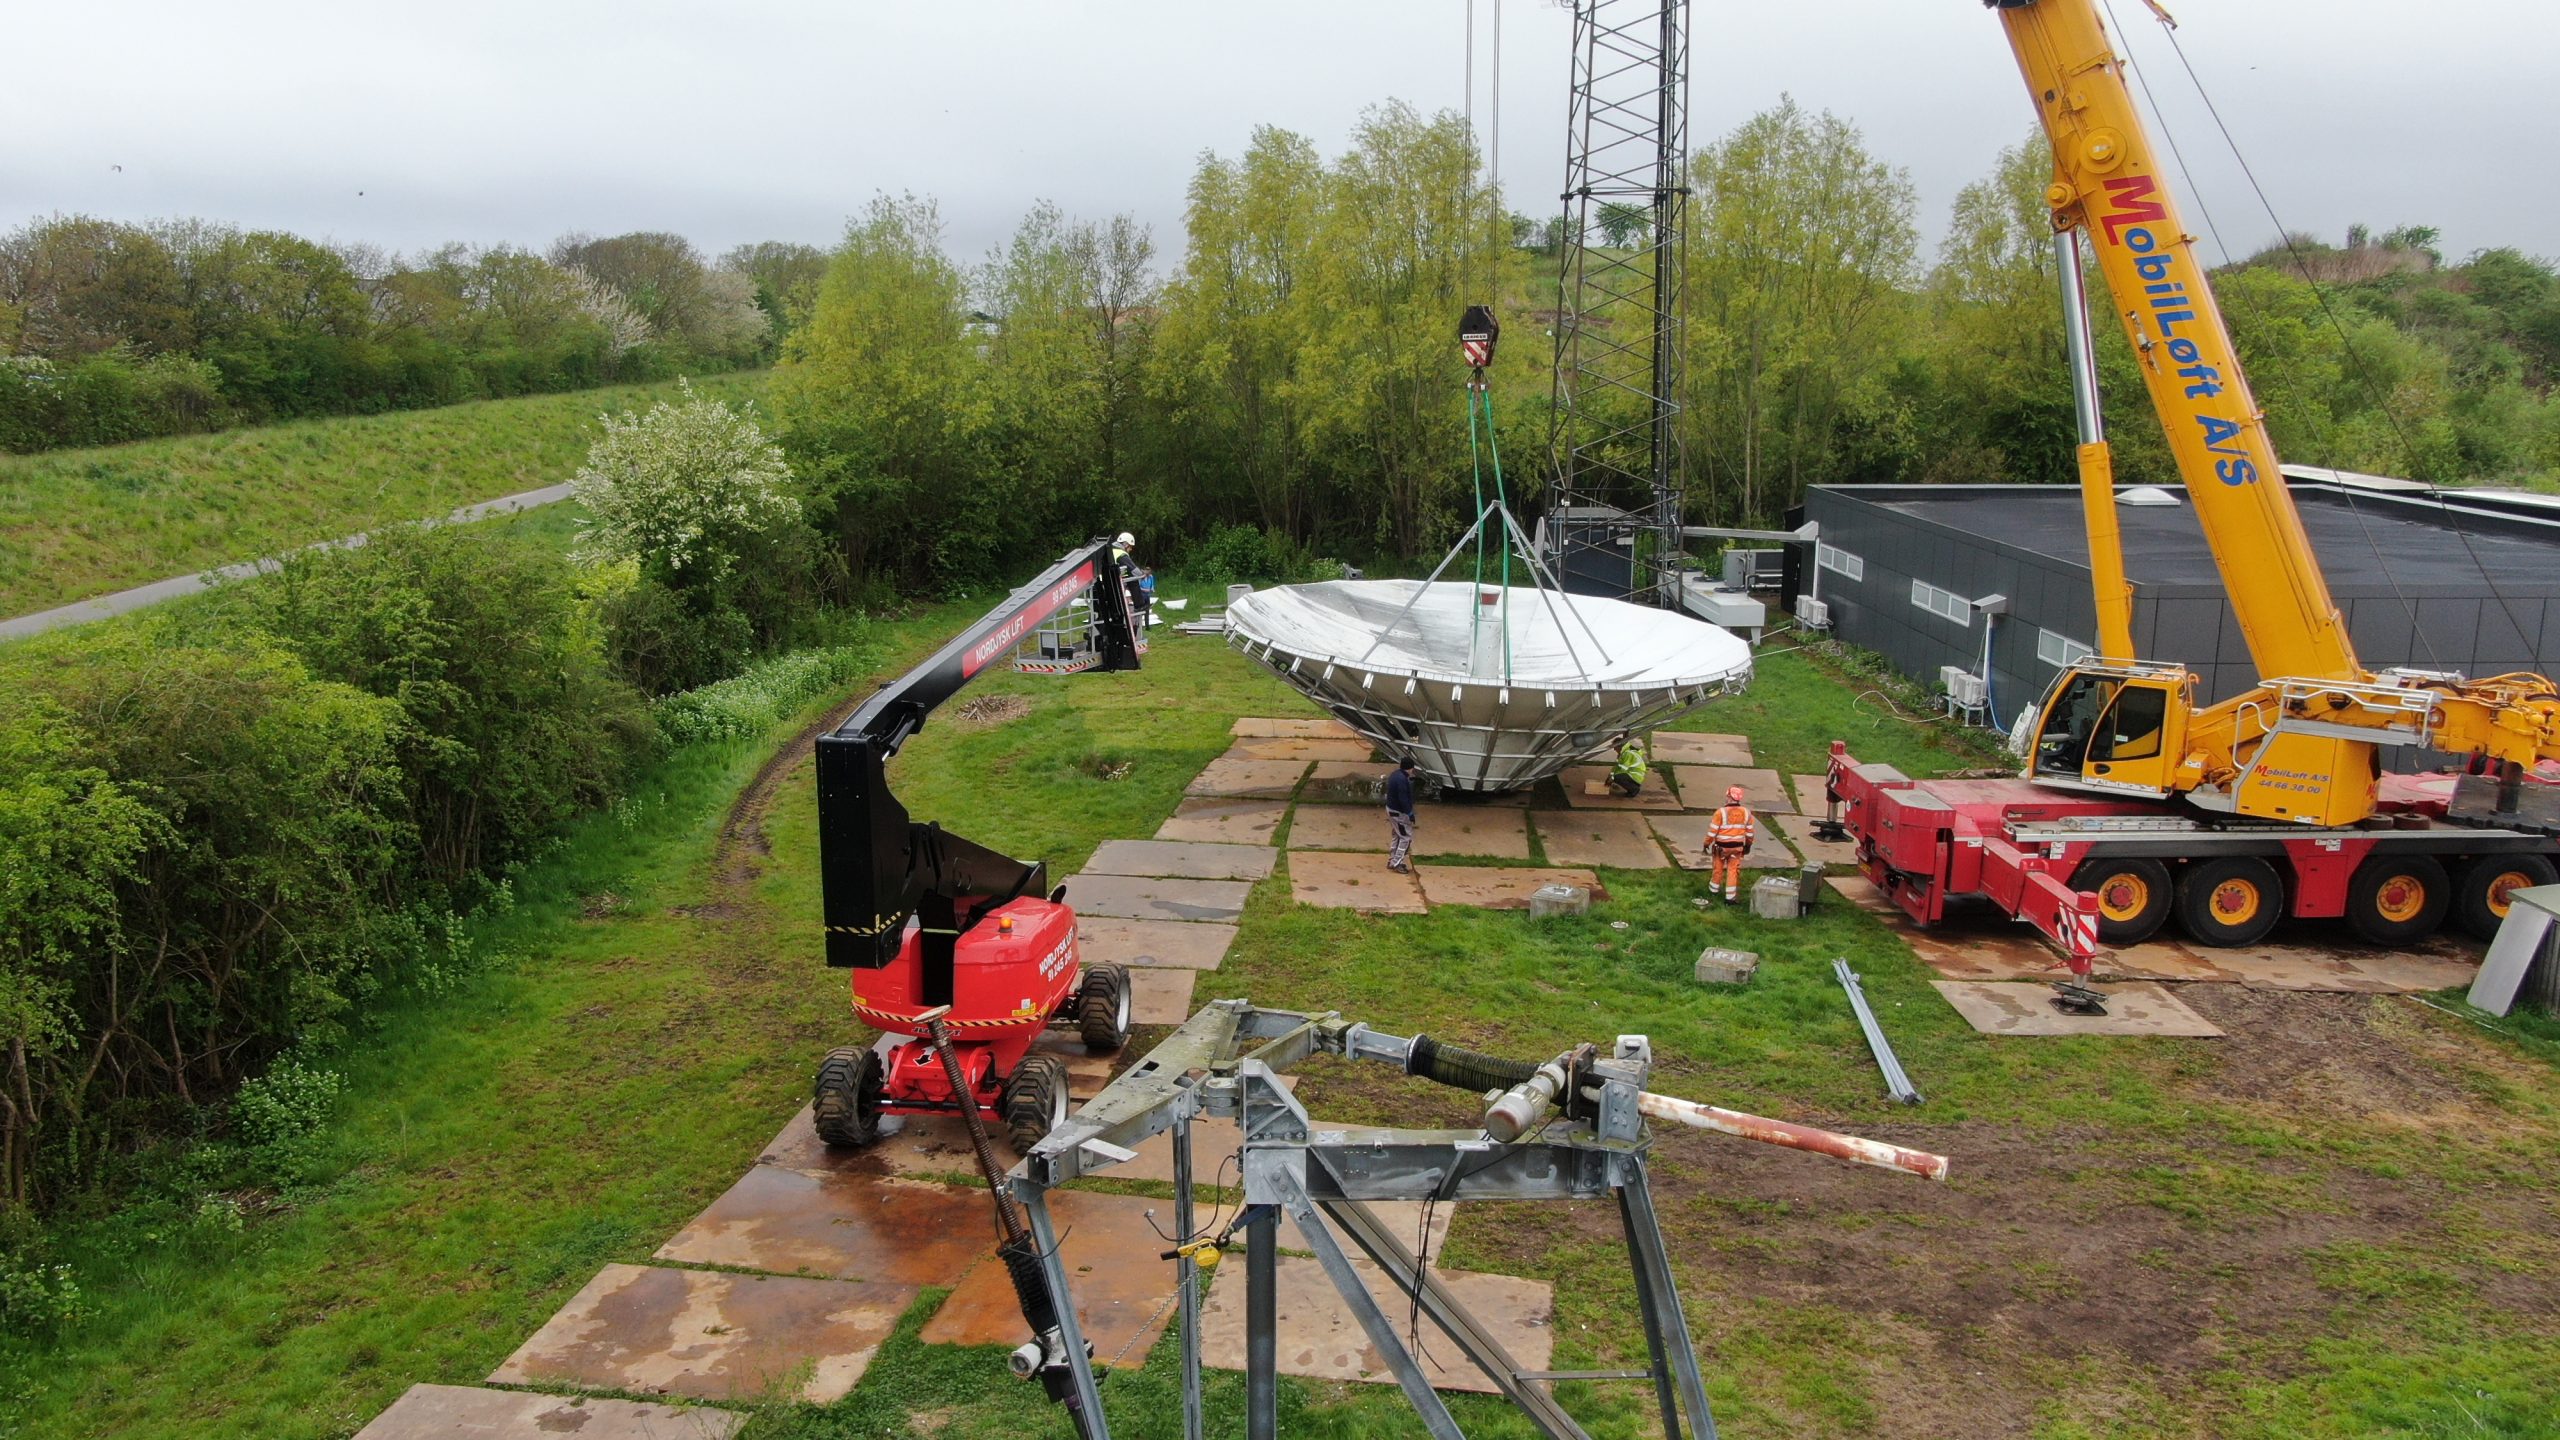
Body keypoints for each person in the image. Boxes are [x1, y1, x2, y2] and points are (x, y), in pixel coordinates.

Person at [1706, 784, 1754, 902]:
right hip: (1737, 848)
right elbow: (1750, 834)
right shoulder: (1746, 813)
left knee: (1718, 868)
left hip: (1721, 848)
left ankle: (1713, 891)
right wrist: (1748, 845)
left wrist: (1706, 843)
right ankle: (1730, 897)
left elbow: (1712, 832)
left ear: (1728, 797)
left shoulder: (1720, 812)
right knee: (1733, 871)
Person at [1383, 757, 1419, 873]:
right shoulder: (1402, 780)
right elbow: (1403, 799)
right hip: (1398, 813)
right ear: (1411, 768)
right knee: (1405, 837)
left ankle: (1392, 859)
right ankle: (1397, 863)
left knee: (1397, 835)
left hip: (1390, 810)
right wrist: (1410, 813)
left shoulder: (1395, 775)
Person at [1607, 731, 1649, 798]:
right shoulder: (1624, 752)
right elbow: (1617, 766)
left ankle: (1634, 789)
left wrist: (1612, 778)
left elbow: (1622, 769)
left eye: (1615, 747)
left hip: (1635, 775)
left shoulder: (1627, 753)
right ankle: (1633, 787)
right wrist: (1610, 775)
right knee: (1615, 776)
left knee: (1617, 777)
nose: (1614, 749)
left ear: (1619, 746)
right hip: (1634, 774)